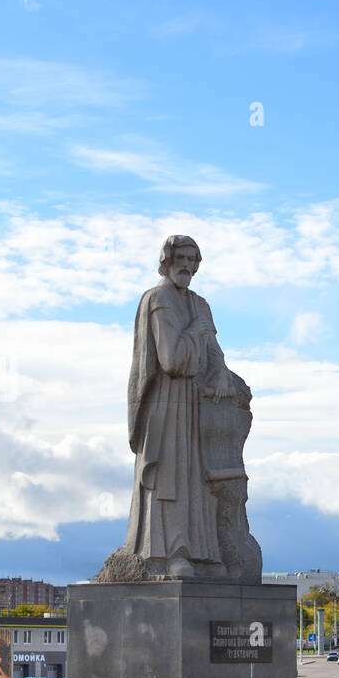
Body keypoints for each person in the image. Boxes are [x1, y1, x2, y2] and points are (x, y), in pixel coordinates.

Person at [123, 235, 237, 578]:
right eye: (182, 258)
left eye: (193, 259)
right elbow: (171, 359)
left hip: (196, 403)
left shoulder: (201, 305)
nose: (187, 265)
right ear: (167, 260)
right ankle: (170, 553)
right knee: (170, 478)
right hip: (166, 402)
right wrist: (195, 333)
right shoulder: (158, 299)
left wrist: (219, 373)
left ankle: (202, 553)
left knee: (199, 482)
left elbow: (215, 352)